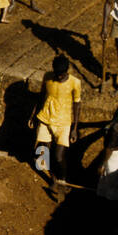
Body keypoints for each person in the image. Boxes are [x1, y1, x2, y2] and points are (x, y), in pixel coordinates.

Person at [28, 54, 81, 198]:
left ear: (66, 71)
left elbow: (77, 105)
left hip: (63, 123)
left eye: (61, 74)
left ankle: (62, 181)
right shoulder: (48, 77)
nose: (59, 76)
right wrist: (33, 115)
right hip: (45, 119)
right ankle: (53, 179)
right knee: (44, 151)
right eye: (57, 73)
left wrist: (74, 128)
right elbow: (42, 96)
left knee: (58, 156)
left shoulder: (75, 83)